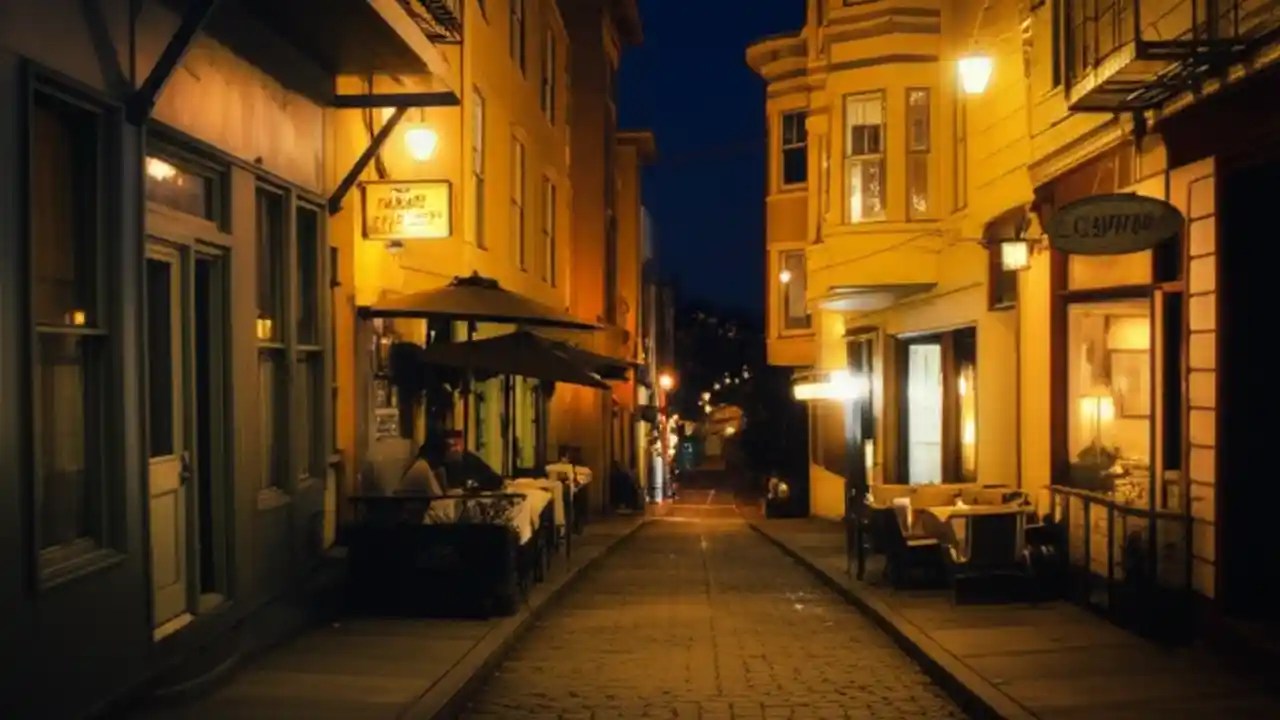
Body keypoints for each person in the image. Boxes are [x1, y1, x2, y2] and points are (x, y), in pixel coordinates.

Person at [420, 430, 504, 492]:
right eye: (451, 447)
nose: (454, 449)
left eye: (455, 446)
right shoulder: (441, 467)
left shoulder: (469, 461)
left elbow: (494, 480)